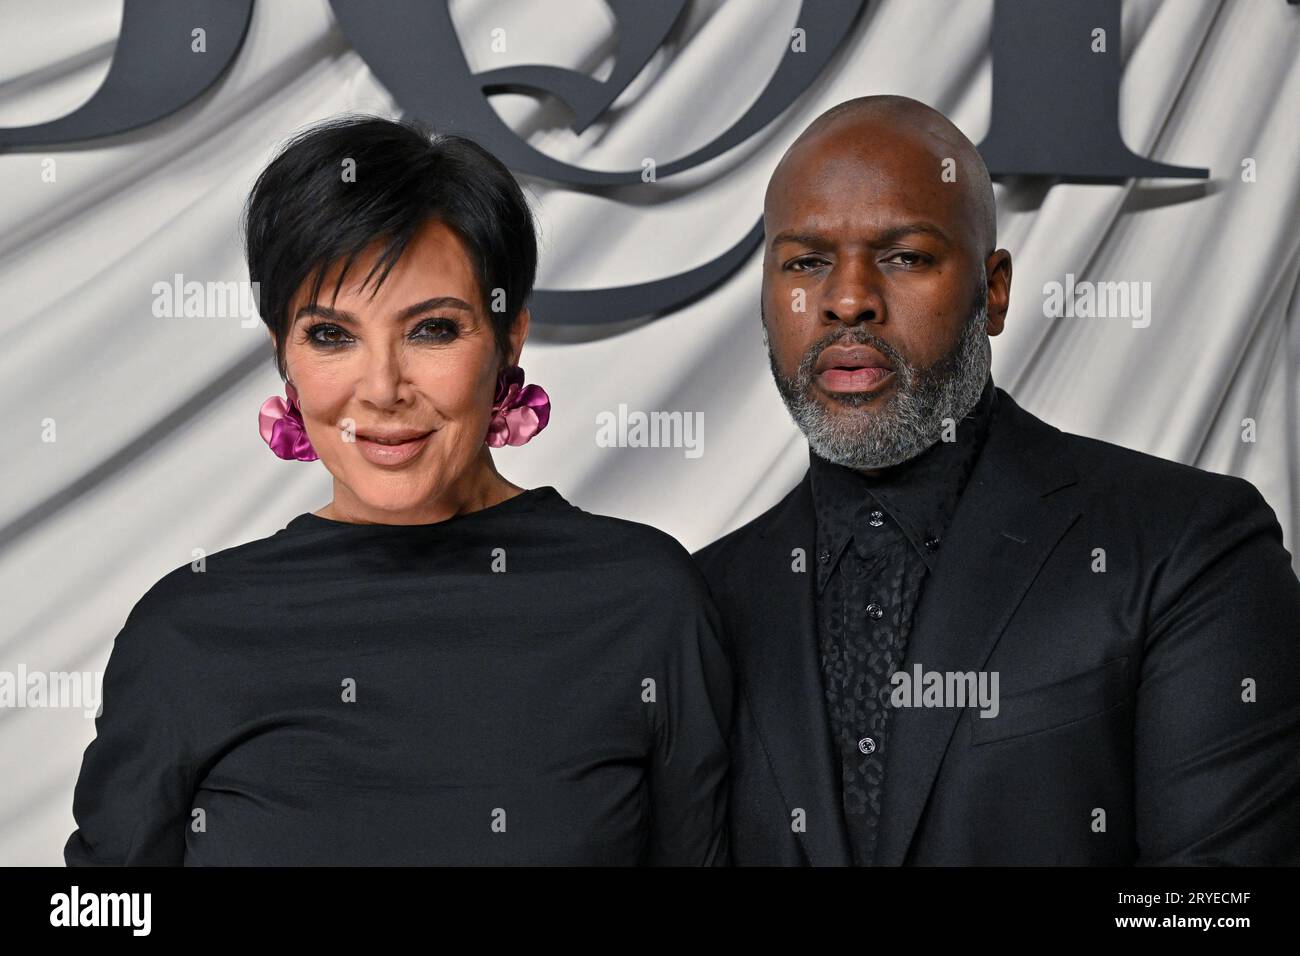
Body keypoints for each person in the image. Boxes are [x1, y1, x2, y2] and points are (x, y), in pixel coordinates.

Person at [64, 115, 731, 866]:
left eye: (433, 330)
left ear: (511, 337)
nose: (382, 389)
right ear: (282, 352)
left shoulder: (644, 600)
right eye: (330, 335)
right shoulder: (187, 633)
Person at [692, 94, 1300, 865]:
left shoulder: (1186, 547)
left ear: (996, 290)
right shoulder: (701, 600)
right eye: (806, 262)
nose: (848, 299)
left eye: (905, 256)